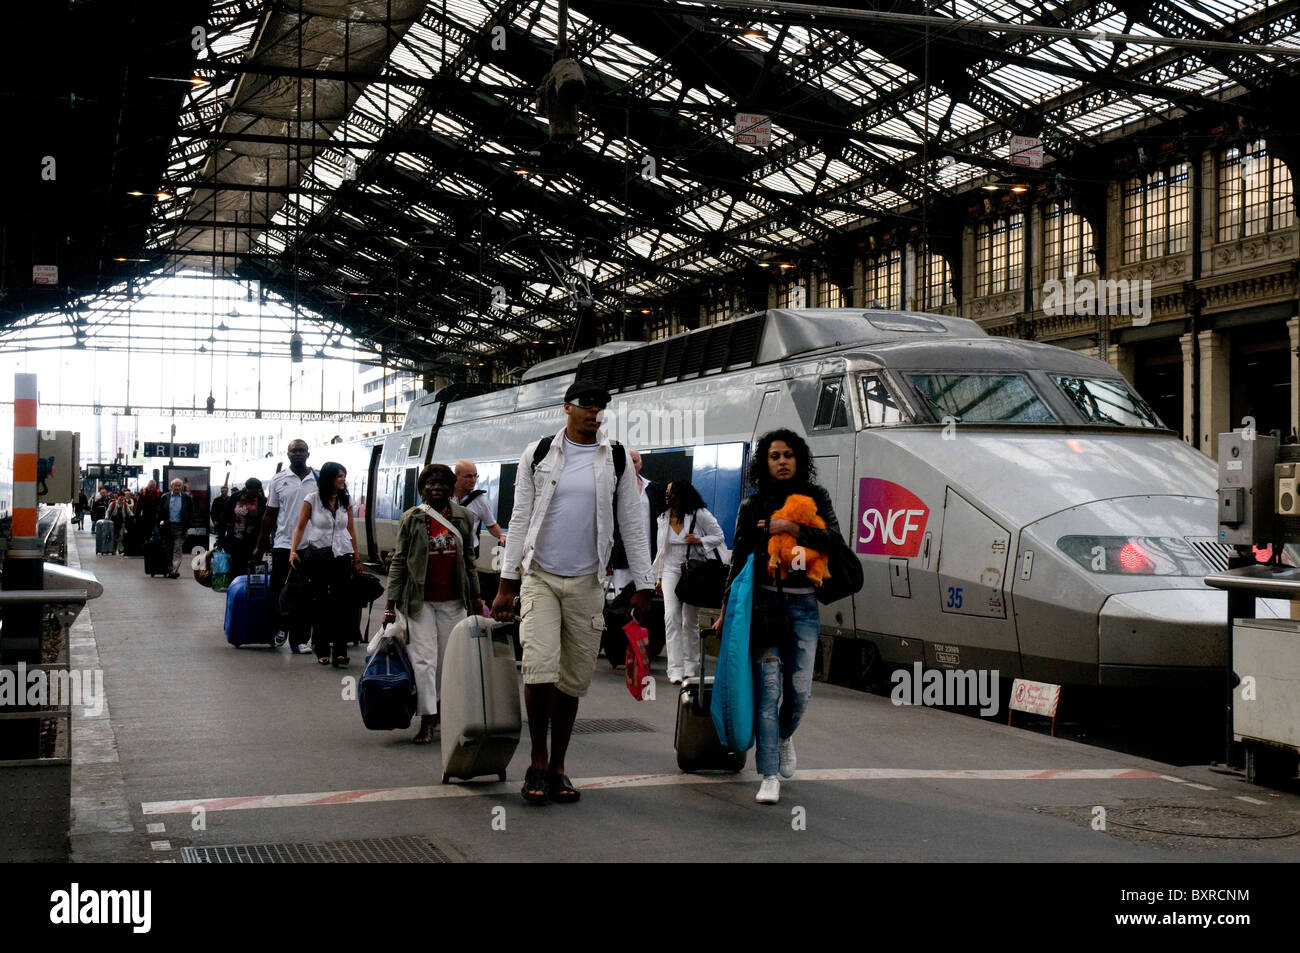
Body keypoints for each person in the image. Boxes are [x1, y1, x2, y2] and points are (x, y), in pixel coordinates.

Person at [492, 379, 653, 805]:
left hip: (587, 582)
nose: (593, 412)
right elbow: (521, 516)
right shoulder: (539, 453)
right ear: (568, 407)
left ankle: (560, 766)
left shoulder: (615, 458)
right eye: (586, 405)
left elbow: (632, 525)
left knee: (573, 679)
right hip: (540, 576)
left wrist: (643, 584)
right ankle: (537, 760)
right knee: (539, 669)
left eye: (601, 406)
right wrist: (507, 586)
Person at [714, 428, 842, 806]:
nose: (782, 461)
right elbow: (737, 562)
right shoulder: (752, 506)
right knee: (768, 692)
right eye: (774, 456)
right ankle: (768, 774)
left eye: (787, 454)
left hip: (804, 608)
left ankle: (785, 736)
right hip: (764, 608)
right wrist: (725, 611)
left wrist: (792, 528)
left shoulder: (817, 498)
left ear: (798, 459)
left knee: (799, 694)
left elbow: (834, 541)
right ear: (764, 463)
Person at [384, 464, 482, 744]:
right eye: (430, 483)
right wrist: (390, 606)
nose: (436, 487)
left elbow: (469, 560)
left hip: (454, 600)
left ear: (451, 488)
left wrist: (475, 596)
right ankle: (428, 718)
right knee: (424, 661)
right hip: (419, 602)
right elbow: (399, 562)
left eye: (441, 483)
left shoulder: (464, 517)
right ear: (422, 489)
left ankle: (444, 712)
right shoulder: (412, 518)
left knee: (447, 662)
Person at [290, 461, 362, 667]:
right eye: (339, 475)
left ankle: (339, 652)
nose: (343, 479)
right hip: (319, 556)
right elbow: (300, 527)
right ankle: (321, 648)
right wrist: (293, 551)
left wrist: (356, 558)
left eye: (344, 475)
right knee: (321, 603)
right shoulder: (311, 499)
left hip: (342, 556)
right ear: (329, 478)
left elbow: (351, 530)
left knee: (342, 605)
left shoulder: (345, 500)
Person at [652, 479, 724, 684]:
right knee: (671, 616)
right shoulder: (663, 518)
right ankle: (674, 668)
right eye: (666, 491)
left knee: (689, 619)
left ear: (682, 493)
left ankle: (690, 666)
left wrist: (700, 540)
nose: (668, 495)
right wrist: (658, 578)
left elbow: (719, 536)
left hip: (693, 570)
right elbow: (661, 550)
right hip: (670, 569)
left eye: (672, 491)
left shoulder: (699, 514)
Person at [254, 440, 318, 654]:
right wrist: (260, 543)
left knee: (305, 595)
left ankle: (300, 640)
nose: (298, 454)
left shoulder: (317, 478)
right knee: (279, 590)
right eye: (294, 451)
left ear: (308, 453)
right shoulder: (278, 480)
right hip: (282, 544)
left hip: (310, 546)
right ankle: (280, 628)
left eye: (302, 450)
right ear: (288, 454)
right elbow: (270, 514)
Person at [611, 449, 662, 593]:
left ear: (641, 464)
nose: (631, 465)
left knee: (646, 601)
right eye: (628, 461)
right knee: (622, 600)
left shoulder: (652, 488)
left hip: (648, 555)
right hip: (623, 554)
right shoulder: (614, 488)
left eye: (634, 461)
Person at [452, 460, 503, 556]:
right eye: (468, 476)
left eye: (475, 475)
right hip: (447, 550)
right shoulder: (444, 497)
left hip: (468, 552)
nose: (473, 480)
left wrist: (502, 535)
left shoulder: (480, 500)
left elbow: (491, 525)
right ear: (456, 477)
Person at [219, 479, 265, 576]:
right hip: (235, 538)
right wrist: (221, 538)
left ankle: (247, 588)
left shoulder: (261, 501)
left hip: (252, 540)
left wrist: (263, 543)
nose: (254, 494)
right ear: (246, 489)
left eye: (256, 492)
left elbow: (264, 522)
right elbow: (224, 517)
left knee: (250, 566)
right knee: (236, 565)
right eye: (252, 492)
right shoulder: (235, 497)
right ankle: (236, 586)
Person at [159, 479, 193, 578]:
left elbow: (191, 511)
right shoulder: (165, 497)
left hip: (180, 527)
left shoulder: (187, 498)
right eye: (175, 486)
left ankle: (174, 570)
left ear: (182, 487)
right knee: (168, 549)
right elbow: (160, 511)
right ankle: (169, 568)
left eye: (179, 486)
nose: (177, 488)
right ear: (171, 486)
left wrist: (188, 524)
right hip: (167, 526)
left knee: (177, 548)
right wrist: (161, 522)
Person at [107, 491, 133, 556]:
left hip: (121, 523)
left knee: (121, 536)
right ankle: (113, 549)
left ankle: (119, 550)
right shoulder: (112, 504)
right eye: (120, 497)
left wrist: (133, 516)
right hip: (113, 523)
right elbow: (108, 511)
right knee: (114, 536)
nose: (121, 499)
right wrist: (106, 517)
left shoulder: (125, 504)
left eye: (122, 497)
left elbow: (129, 512)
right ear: (117, 497)